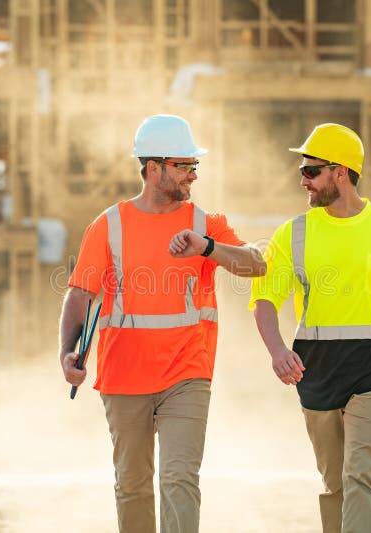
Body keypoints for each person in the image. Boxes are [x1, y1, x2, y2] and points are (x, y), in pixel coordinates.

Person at [59, 114, 266, 533]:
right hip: (123, 376)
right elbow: (80, 294)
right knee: (132, 486)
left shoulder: (204, 224)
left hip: (187, 375)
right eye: (184, 165)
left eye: (194, 165)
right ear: (153, 168)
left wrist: (207, 247)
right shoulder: (108, 225)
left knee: (179, 481)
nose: (193, 175)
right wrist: (67, 352)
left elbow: (256, 264)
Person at [250, 123, 371, 533]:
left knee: (364, 476)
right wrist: (277, 350)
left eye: (311, 171)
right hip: (317, 367)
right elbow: (264, 301)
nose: (303, 180)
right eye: (302, 171)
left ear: (340, 172)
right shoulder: (293, 234)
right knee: (335, 482)